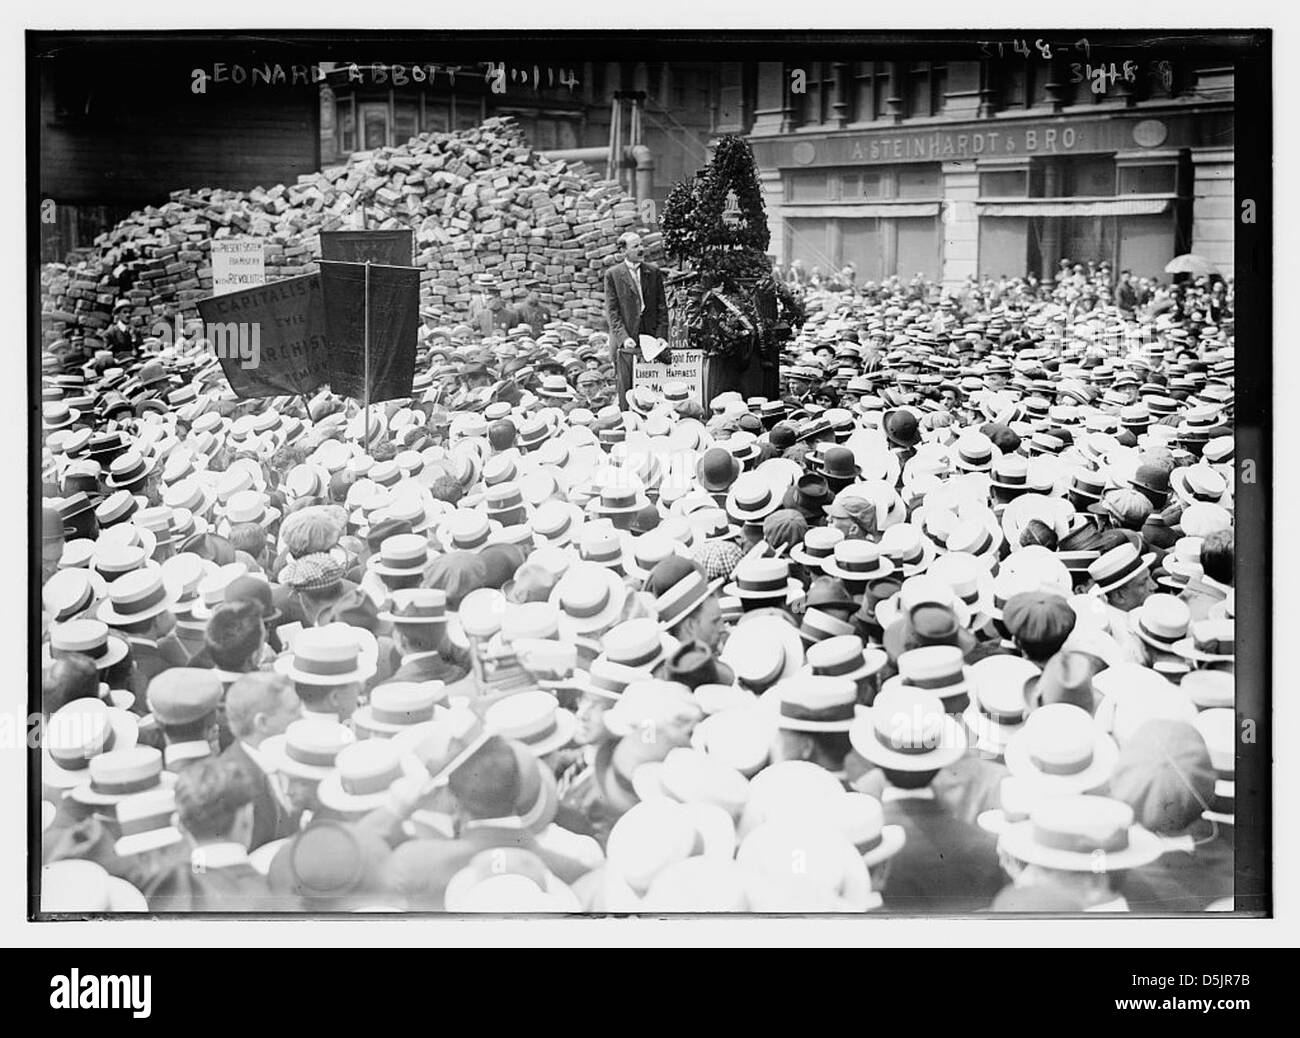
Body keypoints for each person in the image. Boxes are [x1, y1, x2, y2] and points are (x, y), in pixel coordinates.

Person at [221, 672, 302, 850]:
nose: (301, 716)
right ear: (263, 723)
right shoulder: (227, 783)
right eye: (293, 711)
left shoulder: (293, 758)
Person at [603, 231, 667, 410]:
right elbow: (612, 312)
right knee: (627, 390)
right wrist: (624, 337)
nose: (641, 249)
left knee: (652, 388)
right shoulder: (613, 275)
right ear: (623, 251)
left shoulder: (652, 272)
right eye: (636, 246)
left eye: (641, 245)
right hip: (626, 341)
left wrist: (661, 335)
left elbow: (662, 307)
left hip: (651, 340)